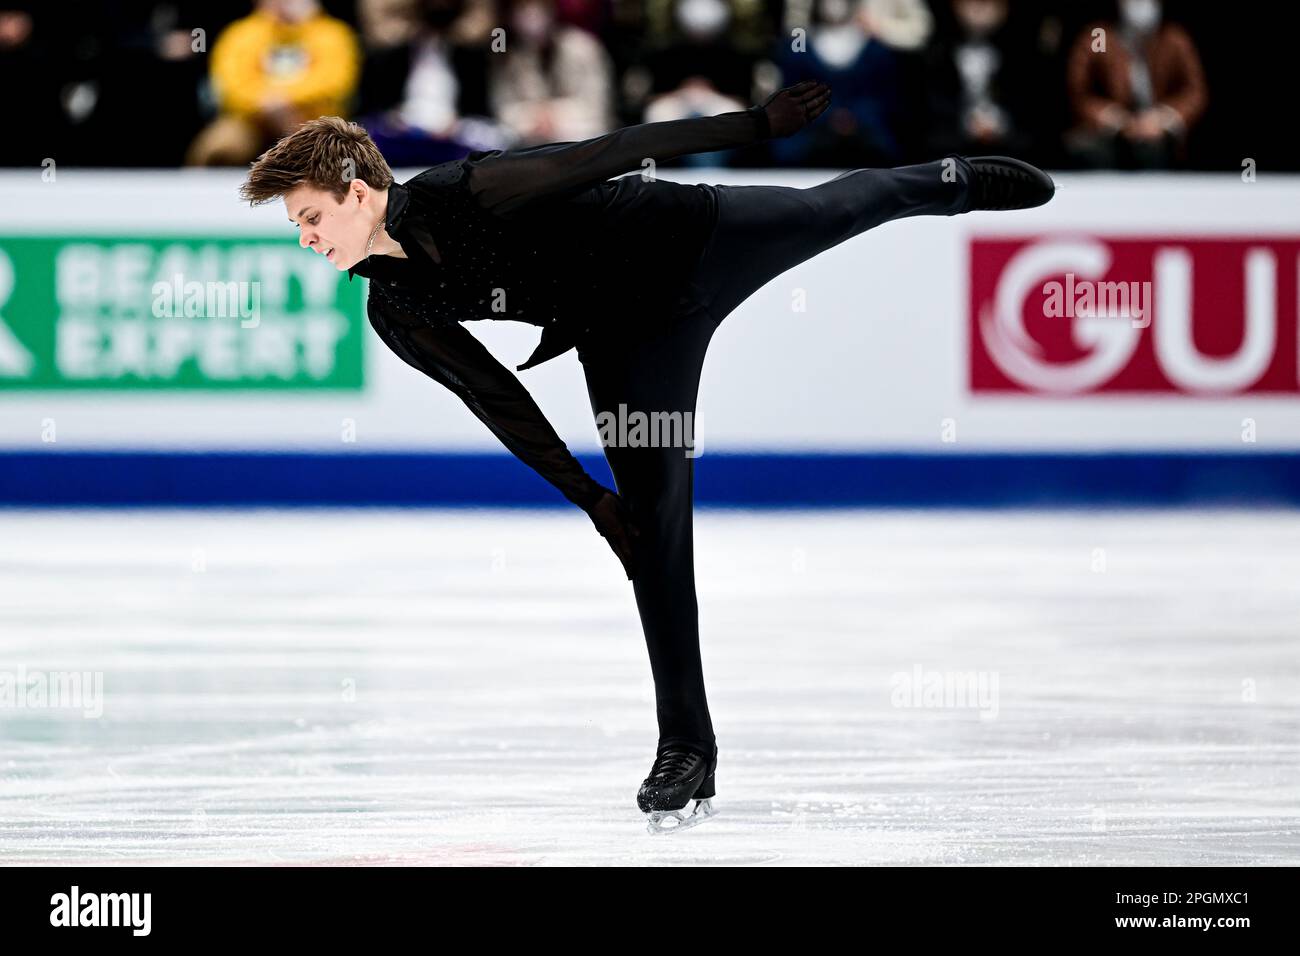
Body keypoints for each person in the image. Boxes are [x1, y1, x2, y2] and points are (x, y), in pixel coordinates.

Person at [237, 81, 1054, 832]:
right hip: (630, 343)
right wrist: (593, 502)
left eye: (309, 217)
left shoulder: (467, 190)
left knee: (835, 208)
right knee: (652, 536)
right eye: (297, 228)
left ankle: (946, 182)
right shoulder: (397, 306)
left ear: (357, 191)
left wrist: (756, 126)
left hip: (694, 238)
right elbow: (499, 401)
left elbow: (611, 152)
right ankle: (687, 749)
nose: (306, 239)